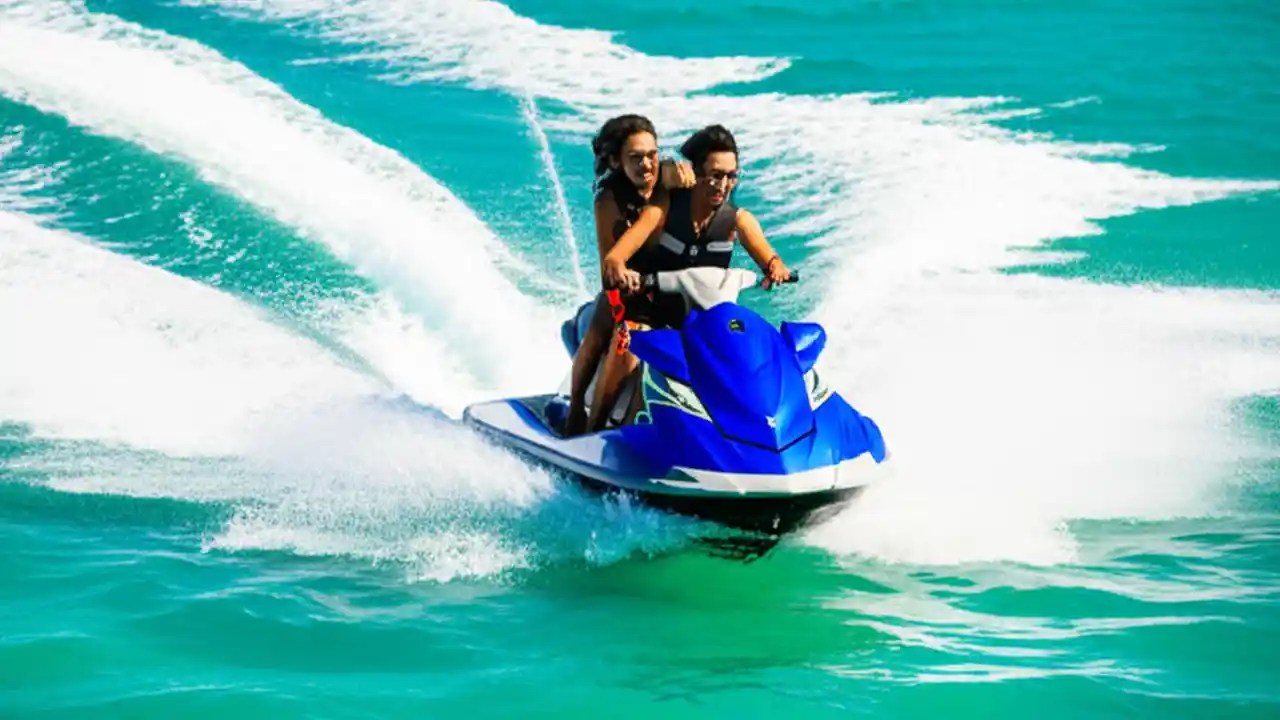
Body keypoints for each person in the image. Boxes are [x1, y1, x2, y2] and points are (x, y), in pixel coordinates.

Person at [575, 124, 793, 434]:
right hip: (652, 311)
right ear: (697, 172)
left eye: (731, 176)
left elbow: (768, 255)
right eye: (715, 175)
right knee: (629, 342)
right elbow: (625, 247)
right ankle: (592, 430)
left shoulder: (737, 219)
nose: (723, 184)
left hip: (703, 324)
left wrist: (775, 267)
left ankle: (747, 437)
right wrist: (618, 264)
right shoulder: (666, 205)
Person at [562, 114, 693, 436]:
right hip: (629, 290)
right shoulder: (609, 197)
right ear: (617, 161)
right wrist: (624, 273)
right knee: (621, 334)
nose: (646, 165)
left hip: (673, 290)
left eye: (652, 154)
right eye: (635, 158)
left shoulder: (673, 177)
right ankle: (584, 417)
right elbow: (611, 261)